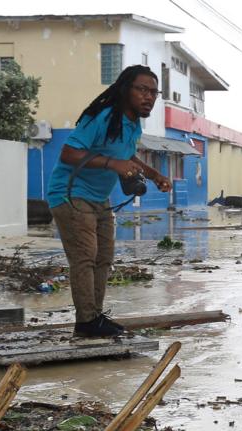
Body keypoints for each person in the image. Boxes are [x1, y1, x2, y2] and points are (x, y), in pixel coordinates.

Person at [46, 65, 172, 338]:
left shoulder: (132, 124)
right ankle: (87, 322)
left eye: (154, 92)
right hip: (70, 193)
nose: (149, 97)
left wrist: (154, 175)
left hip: (99, 197)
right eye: (142, 90)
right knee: (85, 257)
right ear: (126, 89)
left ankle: (94, 318)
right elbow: (68, 153)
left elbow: (127, 155)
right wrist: (112, 164)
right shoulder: (101, 117)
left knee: (104, 258)